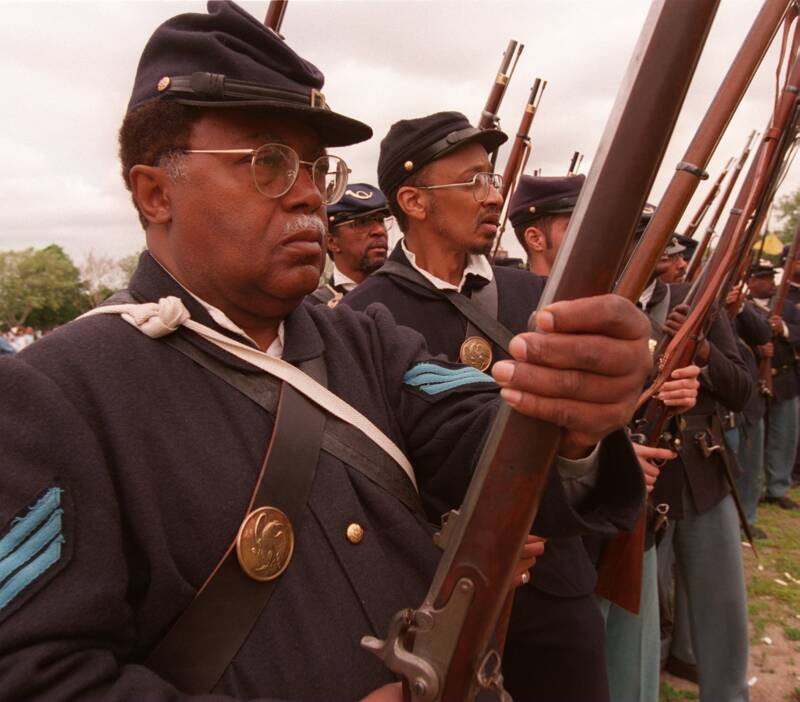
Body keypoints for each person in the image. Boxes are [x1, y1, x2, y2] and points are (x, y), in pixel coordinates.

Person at [0, 4, 652, 701]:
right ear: (156, 192)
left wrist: (577, 421)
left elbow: (492, 447)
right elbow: (37, 675)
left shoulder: (366, 343)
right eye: (270, 163)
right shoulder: (56, 393)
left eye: (316, 167)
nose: (309, 194)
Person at [344, 113, 649, 702]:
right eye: (472, 182)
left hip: (557, 590)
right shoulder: (361, 317)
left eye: (492, 180)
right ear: (414, 201)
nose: (493, 196)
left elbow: (585, 422)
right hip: (436, 600)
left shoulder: (546, 296)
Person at [509, 174, 700, 702]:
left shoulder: (620, 305)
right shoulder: (502, 302)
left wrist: (678, 389)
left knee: (620, 668)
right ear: (535, 237)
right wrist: (602, 456)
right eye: (577, 224)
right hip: (548, 547)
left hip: (621, 513)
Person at [747, 262, 800, 509]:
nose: (771, 283)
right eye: (764, 278)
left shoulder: (787, 307)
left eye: (772, 278)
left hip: (785, 381)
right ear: (751, 282)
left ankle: (778, 487)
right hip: (756, 382)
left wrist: (785, 328)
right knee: (755, 444)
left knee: (784, 437)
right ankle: (753, 492)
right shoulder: (743, 308)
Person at [307, 183, 390, 307]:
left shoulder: (407, 292)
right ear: (331, 242)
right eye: (362, 222)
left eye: (380, 220)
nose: (380, 230)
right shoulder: (315, 308)